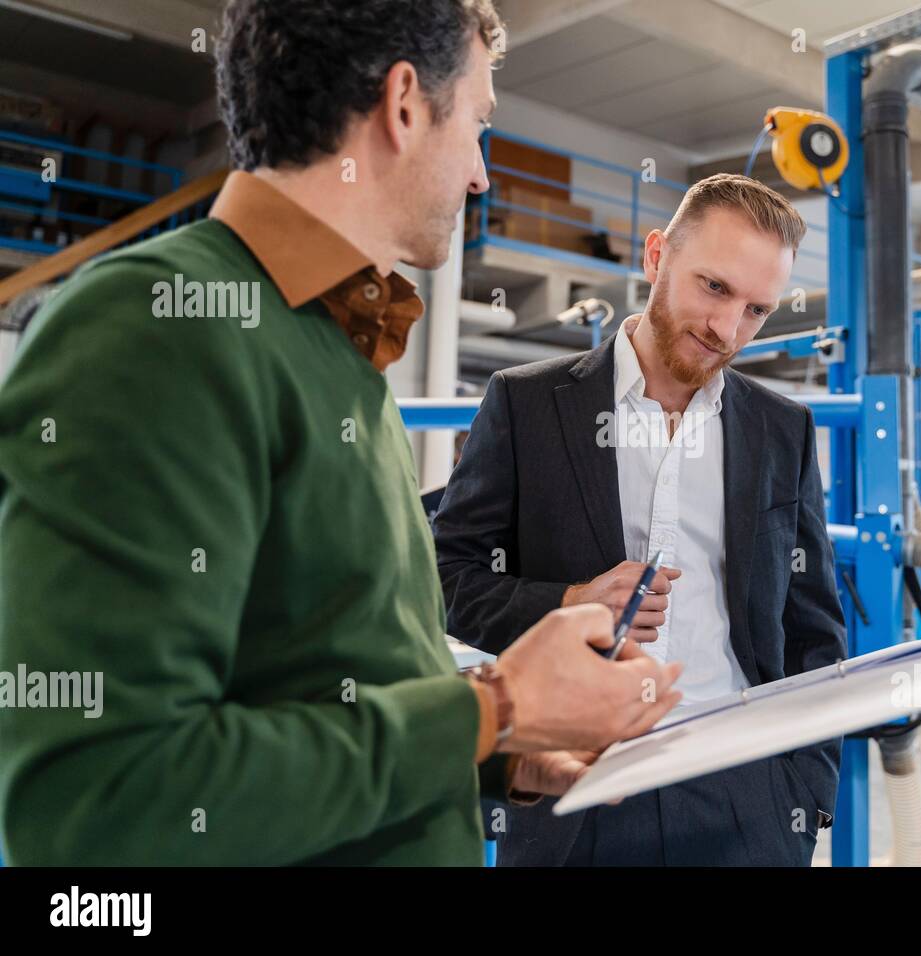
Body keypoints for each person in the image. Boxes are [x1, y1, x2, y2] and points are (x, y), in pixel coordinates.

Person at [0, 0, 682, 866]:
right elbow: (100, 807)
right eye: (477, 124)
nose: (479, 175)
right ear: (404, 104)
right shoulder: (155, 327)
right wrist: (497, 704)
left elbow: (325, 680)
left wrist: (499, 752)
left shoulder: (335, 349)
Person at [435, 174, 847, 866]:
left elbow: (814, 629)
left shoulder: (784, 430)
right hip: (575, 786)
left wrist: (802, 795)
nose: (726, 329)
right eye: (713, 288)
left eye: (756, 311)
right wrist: (566, 602)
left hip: (746, 795)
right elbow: (443, 578)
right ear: (656, 257)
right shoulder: (527, 405)